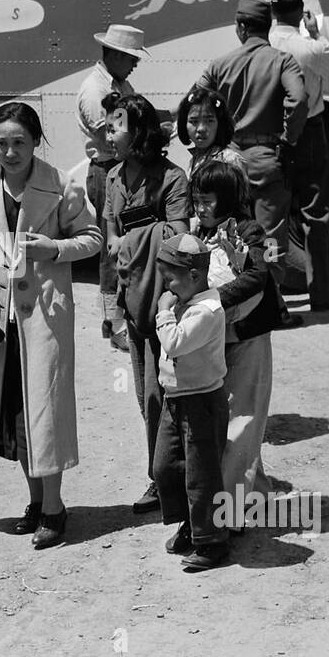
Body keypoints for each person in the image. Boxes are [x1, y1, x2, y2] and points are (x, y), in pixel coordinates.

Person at [0, 102, 102, 549]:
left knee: (44, 412)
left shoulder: (61, 184)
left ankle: (54, 509)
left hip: (44, 316)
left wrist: (52, 248)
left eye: (19, 142)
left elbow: (92, 238)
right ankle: (34, 503)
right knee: (13, 414)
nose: (10, 152)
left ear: (36, 141)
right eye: (2, 143)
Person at [100, 93, 191, 516]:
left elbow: (178, 237)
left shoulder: (172, 179)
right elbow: (108, 245)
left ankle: (172, 478)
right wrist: (111, 312)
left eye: (115, 125)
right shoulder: (113, 176)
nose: (107, 131)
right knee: (144, 394)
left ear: (138, 132)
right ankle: (161, 476)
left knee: (166, 391)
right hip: (131, 301)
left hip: (167, 304)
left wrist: (128, 241)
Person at [195, 0, 307, 328]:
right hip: (267, 159)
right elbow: (298, 99)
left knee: (229, 234)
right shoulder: (282, 61)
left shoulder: (220, 64)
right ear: (267, 26)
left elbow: (194, 100)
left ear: (241, 27)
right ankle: (273, 309)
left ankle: (227, 305)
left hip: (229, 162)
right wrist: (289, 138)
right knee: (270, 239)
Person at [188, 160, 283, 531]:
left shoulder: (250, 231)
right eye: (196, 200)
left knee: (242, 421)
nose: (200, 207)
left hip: (248, 339)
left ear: (226, 199)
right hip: (215, 342)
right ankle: (255, 497)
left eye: (208, 200)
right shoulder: (199, 232)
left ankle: (226, 518)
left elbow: (259, 274)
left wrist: (212, 300)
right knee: (228, 422)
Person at [269, 0, 329, 313]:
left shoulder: (265, 46)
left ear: (272, 10)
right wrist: (316, 34)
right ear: (301, 10)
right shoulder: (309, 48)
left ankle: (271, 296)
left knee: (271, 217)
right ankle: (320, 294)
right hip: (310, 133)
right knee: (315, 214)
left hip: (272, 136)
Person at [150, 234, 230, 571]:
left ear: (195, 277)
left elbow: (175, 342)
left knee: (201, 475)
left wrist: (163, 313)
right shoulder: (186, 301)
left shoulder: (207, 310)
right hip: (176, 398)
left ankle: (212, 542)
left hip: (201, 402)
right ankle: (189, 523)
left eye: (170, 278)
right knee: (166, 467)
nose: (166, 287)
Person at [77, 24, 149, 352]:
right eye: (132, 57)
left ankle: (118, 320)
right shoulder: (96, 90)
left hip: (117, 168)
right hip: (107, 171)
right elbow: (114, 131)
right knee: (111, 249)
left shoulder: (118, 83)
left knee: (122, 244)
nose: (135, 63)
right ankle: (113, 323)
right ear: (117, 55)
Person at [176, 84, 246, 180]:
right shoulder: (195, 159)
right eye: (194, 121)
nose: (201, 129)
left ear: (220, 123)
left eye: (209, 121)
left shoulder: (229, 161)